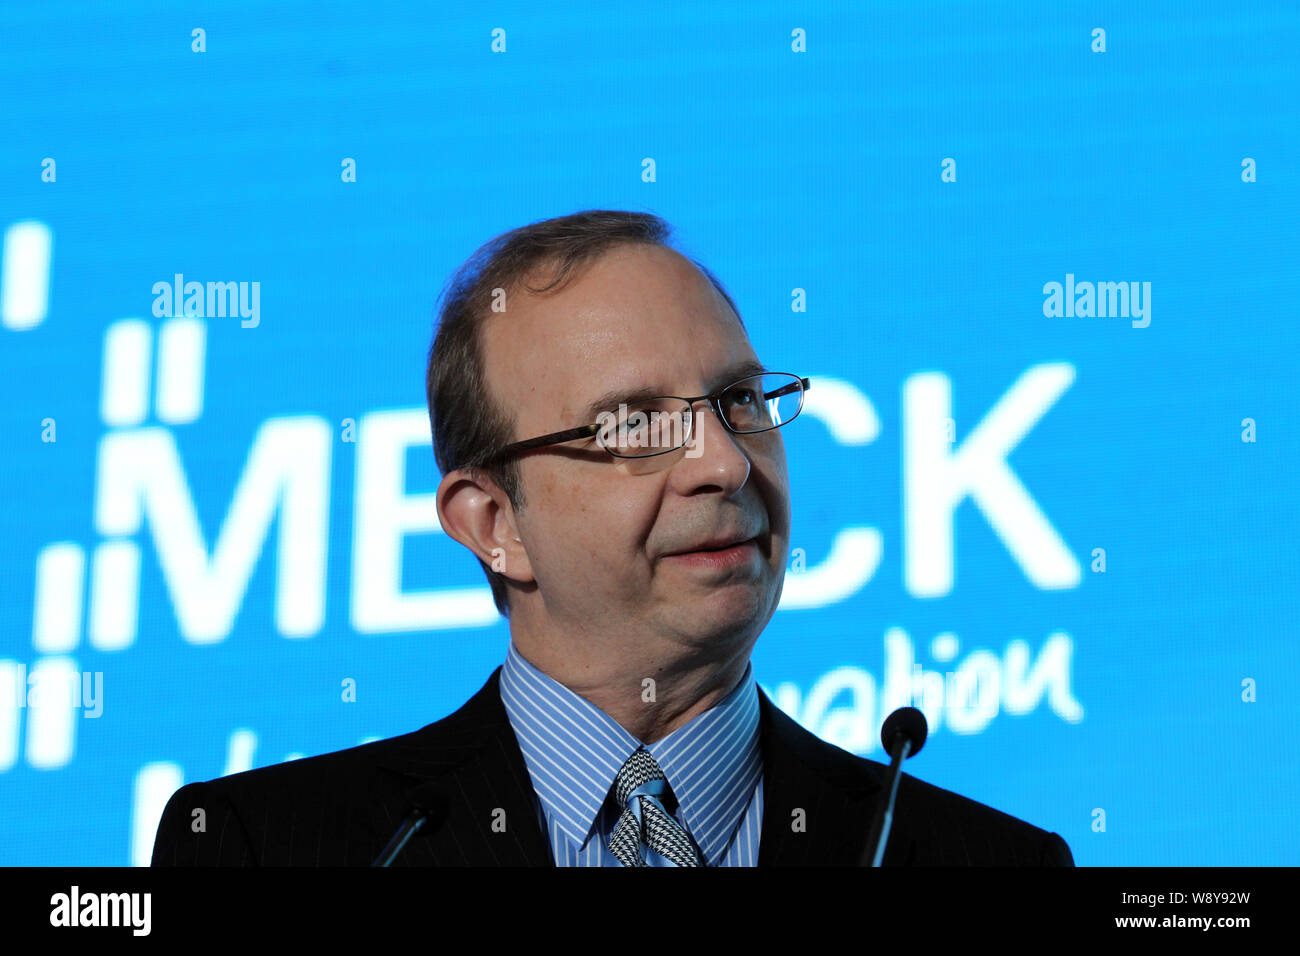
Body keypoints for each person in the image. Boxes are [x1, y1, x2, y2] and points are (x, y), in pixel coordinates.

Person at [151, 209, 1073, 866]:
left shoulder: (982, 862)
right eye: (634, 424)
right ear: (493, 523)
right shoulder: (273, 847)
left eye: (741, 402)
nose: (725, 463)